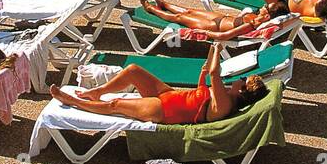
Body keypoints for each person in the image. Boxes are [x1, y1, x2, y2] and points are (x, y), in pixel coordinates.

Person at [48, 42, 268, 124]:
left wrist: (219, 50)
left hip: (165, 110)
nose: (239, 79)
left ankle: (73, 101)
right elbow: (206, 74)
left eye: (243, 80)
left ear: (244, 90)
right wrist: (211, 51)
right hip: (170, 95)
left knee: (115, 104)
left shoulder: (226, 103)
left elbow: (214, 73)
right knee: (133, 70)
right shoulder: (227, 95)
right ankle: (98, 92)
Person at [138, 0, 285, 41]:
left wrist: (206, 34)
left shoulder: (252, 24)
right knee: (188, 10)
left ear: (267, 16)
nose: (264, 6)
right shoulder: (256, 16)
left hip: (212, 26)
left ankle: (150, 8)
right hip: (220, 17)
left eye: (266, 7)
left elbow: (226, 35)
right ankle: (163, 3)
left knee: (178, 17)